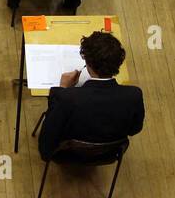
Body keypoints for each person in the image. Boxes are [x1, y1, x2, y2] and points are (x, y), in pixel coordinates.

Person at [36, 31, 144, 159]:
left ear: (88, 63)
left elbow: (46, 143)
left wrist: (62, 88)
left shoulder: (67, 98)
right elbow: (134, 130)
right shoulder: (134, 95)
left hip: (67, 155)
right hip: (108, 154)